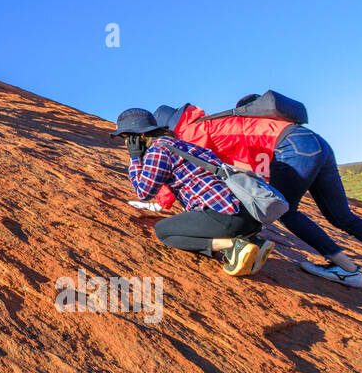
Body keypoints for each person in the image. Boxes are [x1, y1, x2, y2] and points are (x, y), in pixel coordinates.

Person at [151, 101, 362, 297]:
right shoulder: (210, 122)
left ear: (166, 128)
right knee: (342, 216)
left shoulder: (191, 133)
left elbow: (190, 168)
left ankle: (348, 271)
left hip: (292, 147)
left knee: (283, 211)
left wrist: (159, 203)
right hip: (311, 141)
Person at [114, 108, 272, 277]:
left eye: (126, 138)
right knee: (193, 219)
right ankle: (254, 241)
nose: (126, 144)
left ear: (139, 137)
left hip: (224, 216)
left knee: (163, 231)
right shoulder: (183, 144)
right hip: (249, 216)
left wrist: (135, 157)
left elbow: (143, 192)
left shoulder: (157, 150)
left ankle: (232, 246)